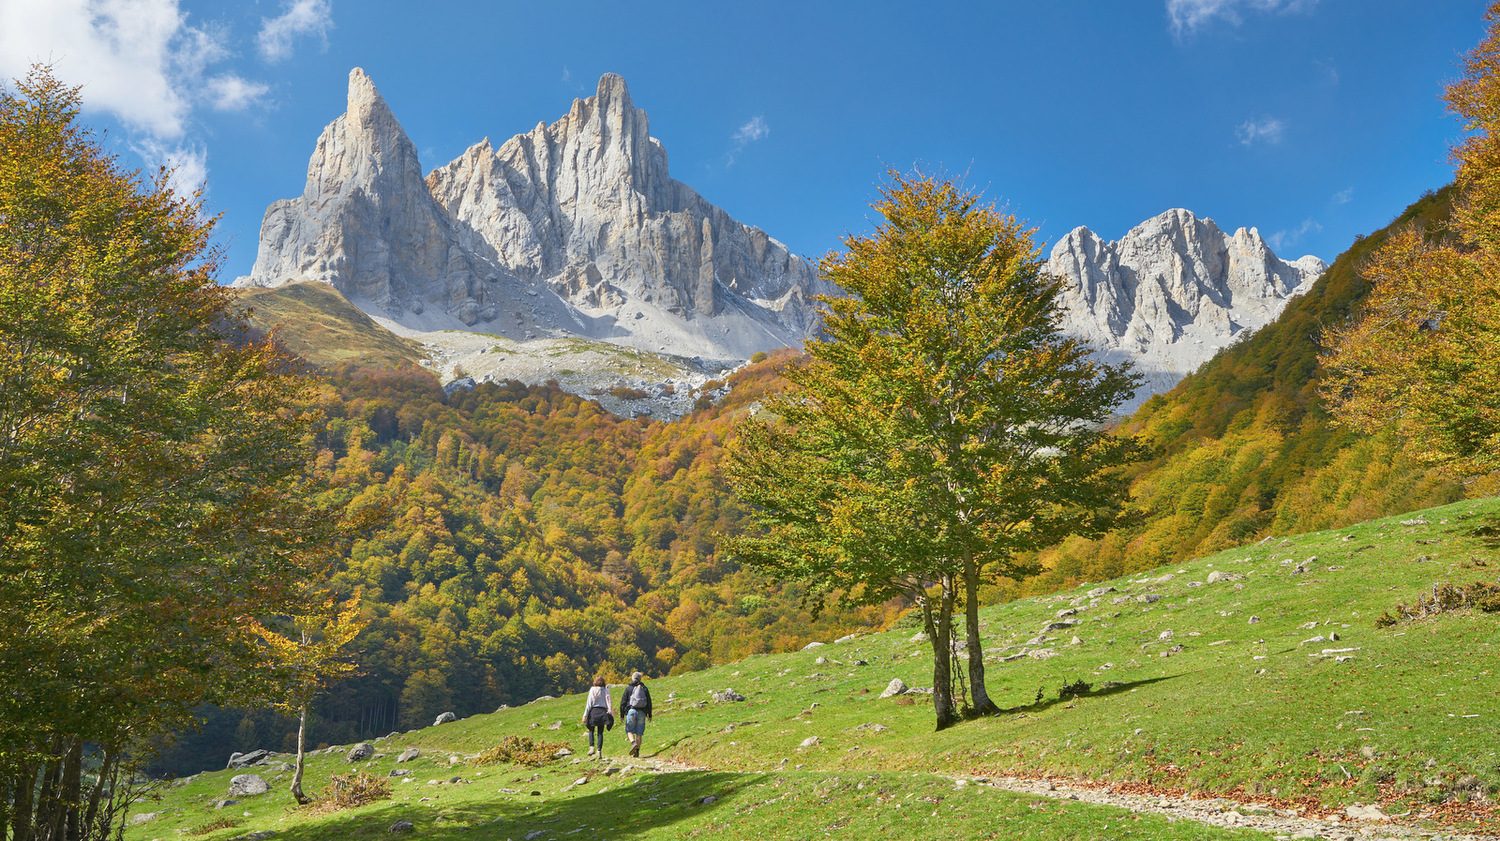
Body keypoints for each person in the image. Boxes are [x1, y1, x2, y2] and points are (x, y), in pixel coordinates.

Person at [619, 670, 652, 757]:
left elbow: (623, 702)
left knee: (629, 730)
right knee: (639, 733)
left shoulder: (628, 688)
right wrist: (649, 715)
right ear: (640, 679)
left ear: (632, 678)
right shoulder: (644, 688)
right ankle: (637, 751)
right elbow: (649, 702)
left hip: (631, 711)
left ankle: (633, 743)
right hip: (642, 712)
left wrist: (622, 715)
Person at [580, 675, 612, 759]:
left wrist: (585, 715)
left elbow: (589, 703)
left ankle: (591, 747)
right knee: (600, 732)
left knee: (591, 729)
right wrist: (609, 712)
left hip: (593, 711)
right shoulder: (606, 690)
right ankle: (599, 750)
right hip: (602, 711)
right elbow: (609, 701)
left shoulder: (592, 690)